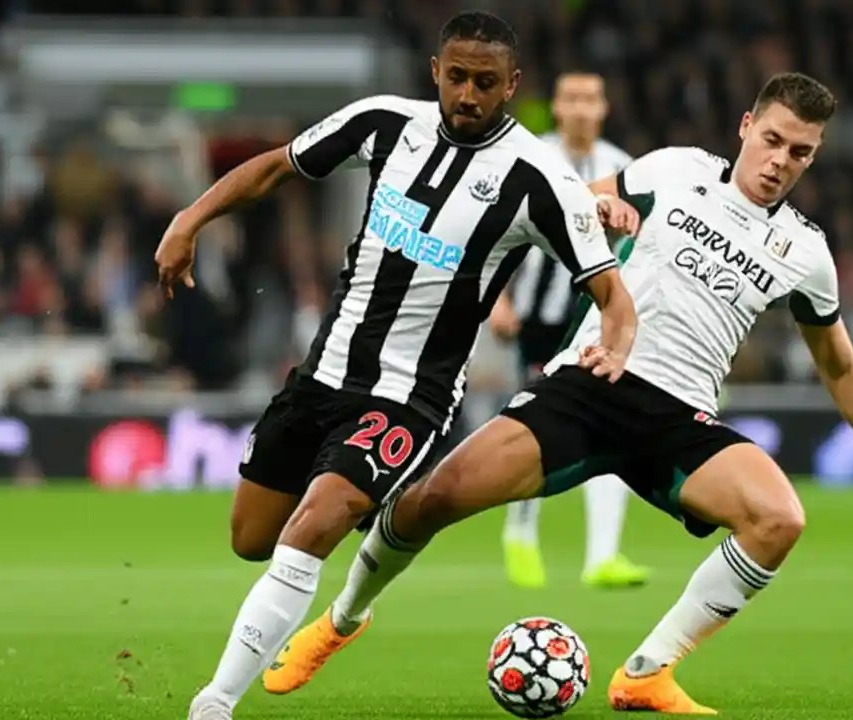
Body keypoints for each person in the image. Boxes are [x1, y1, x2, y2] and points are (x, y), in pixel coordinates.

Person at [267, 72, 853, 714]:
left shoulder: (806, 252)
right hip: (590, 383)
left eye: (800, 153)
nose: (781, 161)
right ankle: (343, 620)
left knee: (780, 518)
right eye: (773, 140)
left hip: (679, 417)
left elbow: (838, 364)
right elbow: (569, 202)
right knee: (432, 499)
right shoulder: (675, 169)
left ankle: (647, 672)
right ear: (747, 126)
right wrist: (602, 208)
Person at [159, 12, 641, 720]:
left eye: (485, 82)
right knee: (251, 539)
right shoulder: (384, 123)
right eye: (456, 77)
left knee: (311, 528)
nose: (468, 95)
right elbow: (276, 167)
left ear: (512, 85)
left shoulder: (541, 180)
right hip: (321, 375)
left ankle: (215, 702)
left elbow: (613, 296)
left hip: (407, 399)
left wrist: (616, 346)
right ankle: (376, 503)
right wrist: (189, 219)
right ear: (435, 72)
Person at [488, 70, 648, 590]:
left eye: (590, 99)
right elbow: (501, 230)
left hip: (596, 315)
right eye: (571, 99)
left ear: (603, 108)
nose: (581, 108)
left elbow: (637, 247)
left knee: (611, 425)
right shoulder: (533, 156)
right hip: (539, 318)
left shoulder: (622, 167)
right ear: (557, 107)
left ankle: (603, 555)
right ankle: (520, 531)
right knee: (538, 424)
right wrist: (499, 298)